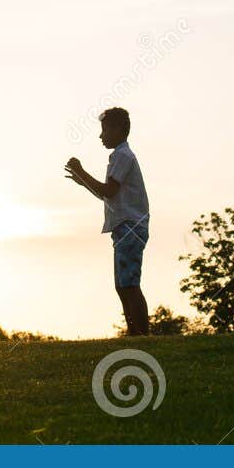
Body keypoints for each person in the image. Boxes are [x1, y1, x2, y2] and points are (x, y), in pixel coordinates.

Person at [64, 107, 150, 335]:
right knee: (122, 285)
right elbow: (107, 194)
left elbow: (109, 191)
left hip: (130, 226)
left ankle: (141, 335)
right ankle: (135, 334)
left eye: (105, 130)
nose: (101, 136)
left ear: (119, 129)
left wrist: (82, 172)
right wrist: (82, 179)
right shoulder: (119, 156)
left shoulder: (122, 155)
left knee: (129, 284)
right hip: (124, 227)